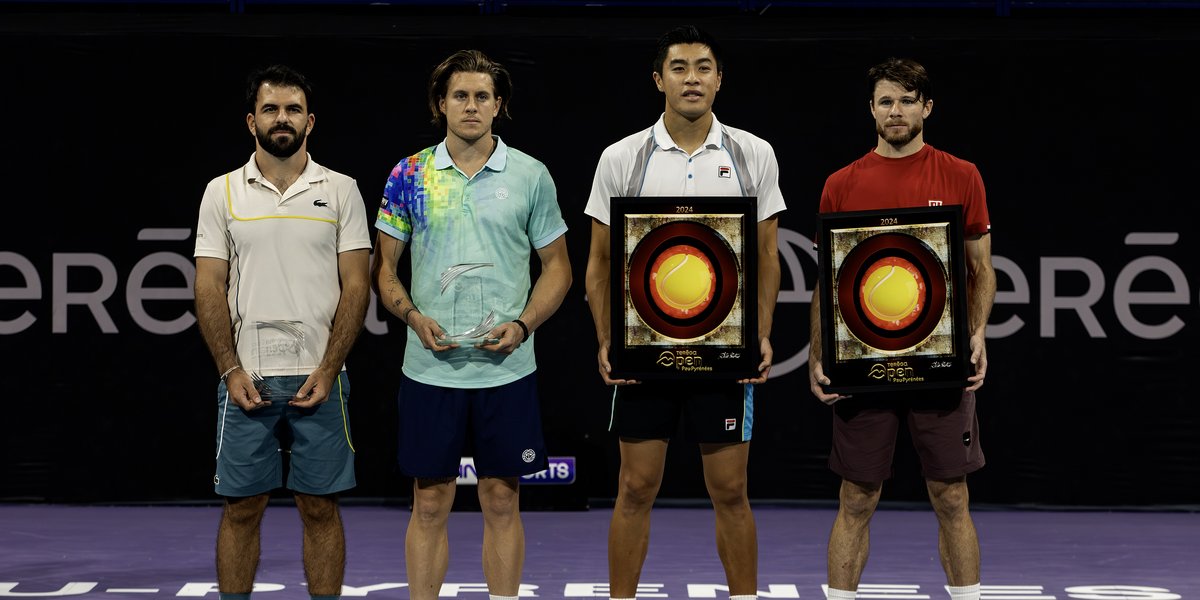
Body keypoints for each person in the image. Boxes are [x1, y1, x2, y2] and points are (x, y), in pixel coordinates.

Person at [584, 25, 785, 600]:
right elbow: (599, 262)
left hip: (724, 351)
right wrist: (606, 339)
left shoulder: (754, 153)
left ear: (719, 79)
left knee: (730, 490)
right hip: (643, 351)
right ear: (658, 79)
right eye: (679, 67)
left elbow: (767, 256)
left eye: (703, 67)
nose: (691, 78)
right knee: (635, 485)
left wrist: (761, 335)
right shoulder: (622, 157)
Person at [370, 49, 572, 600]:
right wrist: (411, 315)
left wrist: (525, 325)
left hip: (505, 372)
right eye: (460, 95)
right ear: (441, 104)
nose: (471, 105)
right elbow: (384, 272)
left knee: (502, 500)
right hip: (430, 373)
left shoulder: (531, 175)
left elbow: (558, 268)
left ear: (498, 104)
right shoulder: (409, 173)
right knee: (429, 501)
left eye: (483, 96)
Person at [808, 57, 997, 600]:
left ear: (926, 108)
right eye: (886, 101)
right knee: (857, 497)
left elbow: (981, 269)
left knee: (951, 495)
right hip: (864, 364)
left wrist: (977, 332)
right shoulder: (841, 184)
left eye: (907, 101)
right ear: (871, 110)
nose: (896, 111)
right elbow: (830, 283)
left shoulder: (961, 175)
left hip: (940, 359)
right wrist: (819, 355)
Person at [194, 64, 371, 600]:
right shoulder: (221, 192)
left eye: (293, 109)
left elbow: (357, 286)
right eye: (270, 109)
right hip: (247, 379)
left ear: (310, 121)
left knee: (320, 507)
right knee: (241, 508)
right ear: (252, 121)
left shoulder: (341, 191)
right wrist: (229, 369)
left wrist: (330, 366)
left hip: (320, 378)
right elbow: (209, 287)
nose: (282, 118)